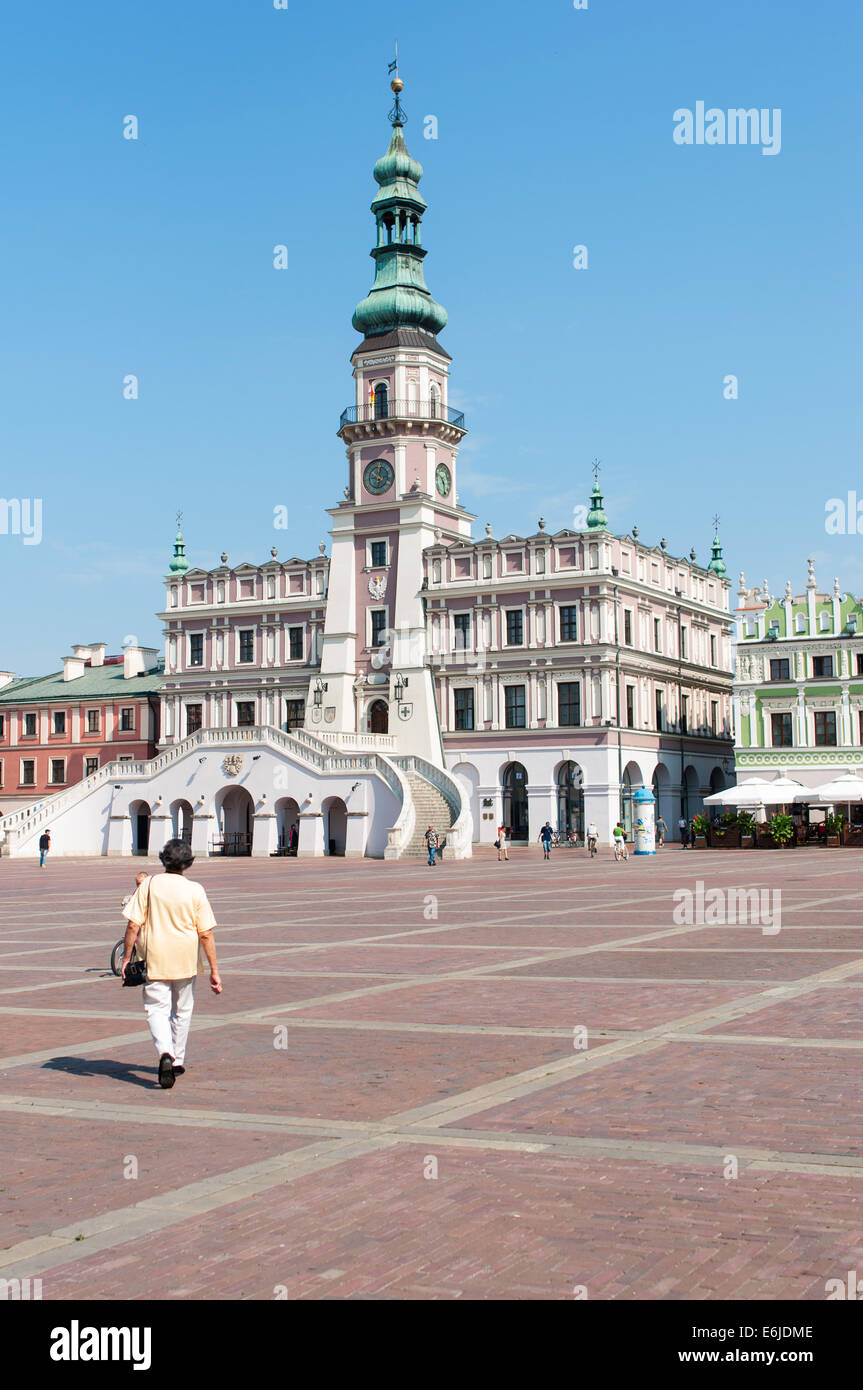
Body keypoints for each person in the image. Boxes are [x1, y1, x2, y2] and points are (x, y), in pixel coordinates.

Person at [120, 838, 221, 1090]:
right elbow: (206, 933)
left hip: (154, 958)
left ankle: (165, 1052)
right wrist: (214, 970)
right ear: (188, 863)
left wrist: (125, 958)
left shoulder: (149, 884)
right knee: (183, 1010)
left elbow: (133, 924)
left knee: (156, 1008)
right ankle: (178, 1059)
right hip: (186, 959)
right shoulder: (195, 889)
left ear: (163, 859)